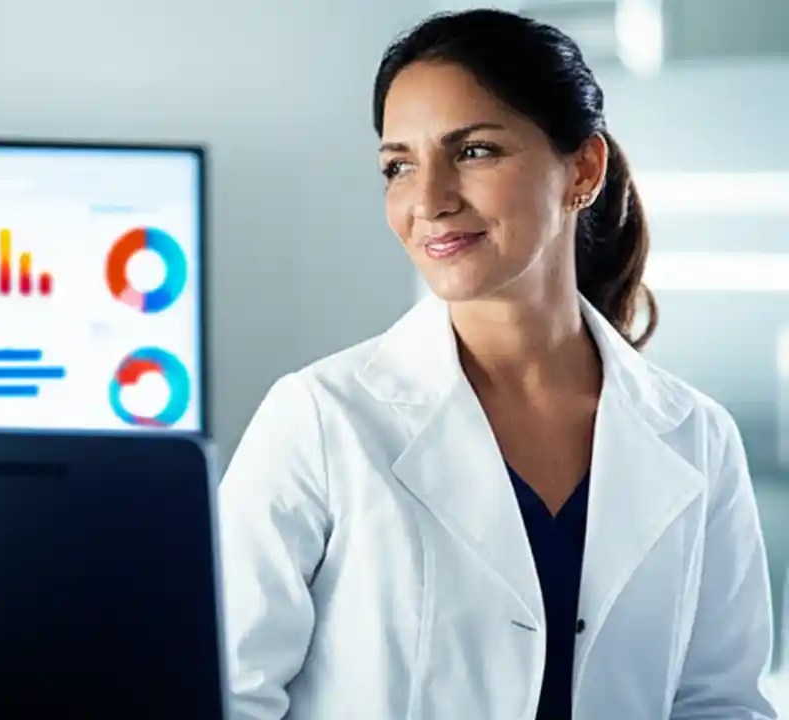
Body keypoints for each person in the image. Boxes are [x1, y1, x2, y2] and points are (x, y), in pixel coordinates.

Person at [218, 8, 777, 720]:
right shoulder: (320, 421)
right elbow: (226, 693)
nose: (428, 200)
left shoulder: (698, 437)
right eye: (398, 166)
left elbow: (720, 704)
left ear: (583, 169)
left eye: (475, 151)